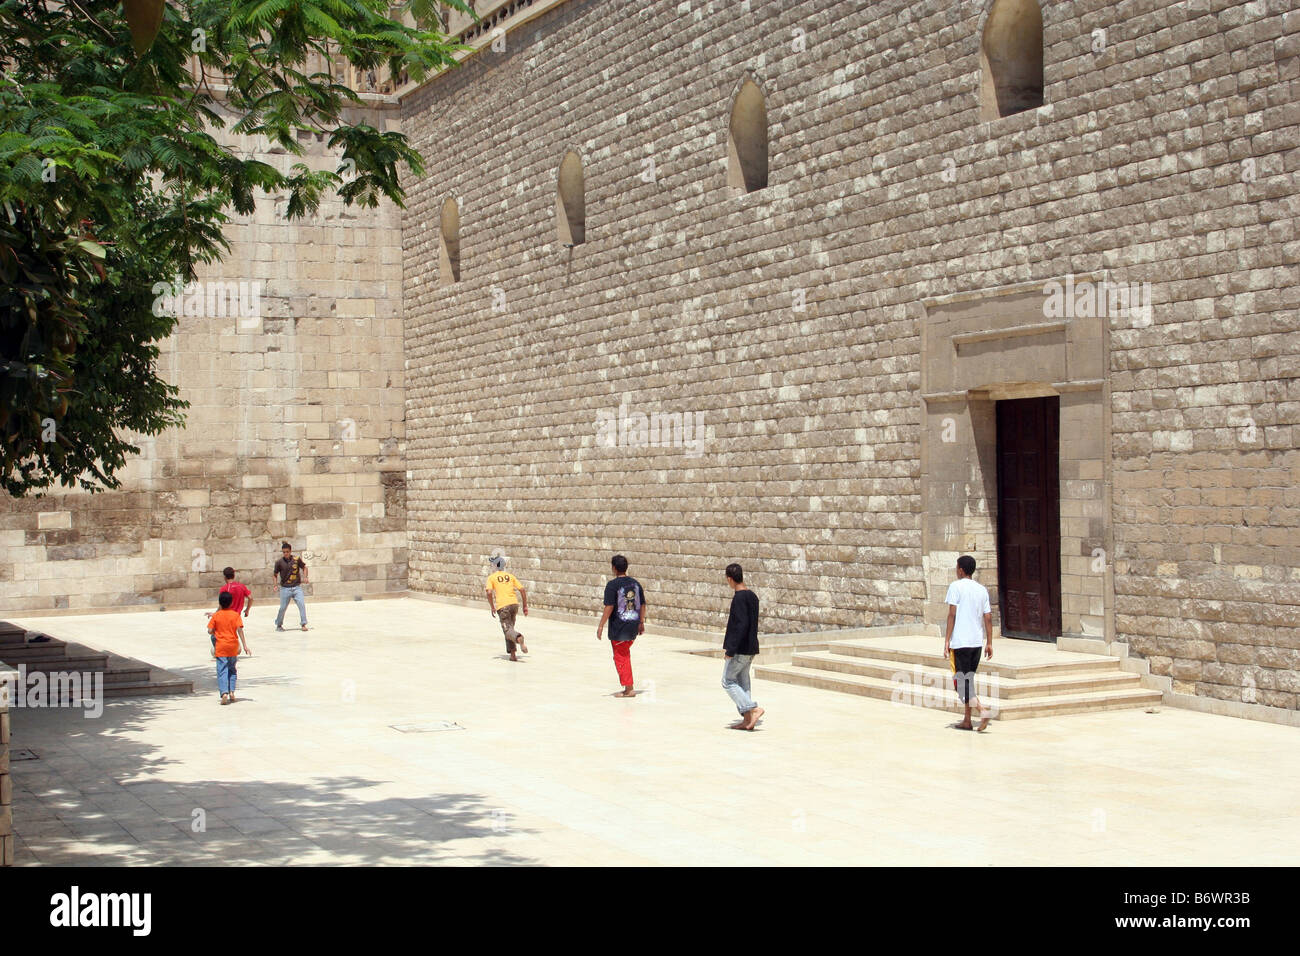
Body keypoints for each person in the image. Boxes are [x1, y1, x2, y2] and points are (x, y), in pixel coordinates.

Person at [943, 554, 993, 731]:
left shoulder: (955, 587)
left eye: (957, 568)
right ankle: (967, 720)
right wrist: (990, 642)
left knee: (960, 683)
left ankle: (982, 710)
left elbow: (952, 614)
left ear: (961, 570)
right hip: (976, 643)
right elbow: (988, 617)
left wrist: (947, 640)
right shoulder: (981, 590)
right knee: (968, 681)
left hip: (961, 642)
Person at [721, 563, 764, 730]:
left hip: (740, 648)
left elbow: (740, 625)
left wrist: (730, 649)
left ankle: (753, 709)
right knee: (743, 682)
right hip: (751, 647)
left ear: (730, 579)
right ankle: (748, 720)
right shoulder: (752, 596)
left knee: (728, 681)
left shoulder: (739, 598)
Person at [596, 554, 645, 697]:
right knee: (624, 654)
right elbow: (642, 604)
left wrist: (600, 626)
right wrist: (641, 622)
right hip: (633, 626)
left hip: (620, 628)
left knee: (621, 656)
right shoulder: (635, 584)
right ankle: (628, 687)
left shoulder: (612, 585)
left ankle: (629, 689)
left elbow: (609, 606)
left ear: (614, 568)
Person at [208, 590, 251, 705]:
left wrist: (216, 631)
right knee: (232, 669)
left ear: (220, 603)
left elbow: (210, 631)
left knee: (222, 670)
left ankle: (224, 693)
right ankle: (232, 691)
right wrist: (245, 646)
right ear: (231, 603)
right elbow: (240, 630)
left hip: (221, 647)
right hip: (233, 646)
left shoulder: (216, 616)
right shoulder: (235, 615)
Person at [484, 554, 529, 661]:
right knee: (509, 629)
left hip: (503, 606)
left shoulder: (491, 578)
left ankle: (519, 638)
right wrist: (525, 606)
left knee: (508, 630)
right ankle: (513, 655)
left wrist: (492, 606)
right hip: (514, 604)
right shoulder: (510, 576)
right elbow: (522, 589)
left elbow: (489, 592)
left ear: (495, 566)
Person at [272, 542, 309, 631]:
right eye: (284, 552)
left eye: (287, 552)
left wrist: (305, 577)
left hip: (296, 587)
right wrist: (275, 585)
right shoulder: (279, 562)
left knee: (301, 605)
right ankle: (279, 625)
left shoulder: (296, 559)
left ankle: (303, 624)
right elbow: (275, 574)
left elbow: (304, 567)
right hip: (285, 588)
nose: (286, 554)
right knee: (283, 608)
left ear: (290, 551)